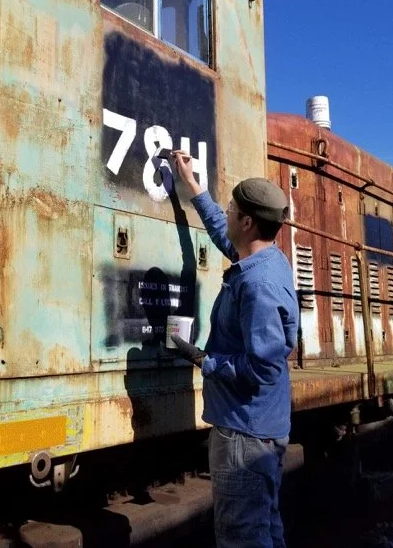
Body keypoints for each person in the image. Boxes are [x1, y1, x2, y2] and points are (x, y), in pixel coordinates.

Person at [168, 150, 299, 548]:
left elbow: (263, 369)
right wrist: (195, 189)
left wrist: (206, 361)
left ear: (247, 221)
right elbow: (224, 235)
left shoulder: (258, 286)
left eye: (231, 209)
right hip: (260, 426)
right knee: (265, 530)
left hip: (245, 432)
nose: (225, 213)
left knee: (242, 537)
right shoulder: (265, 259)